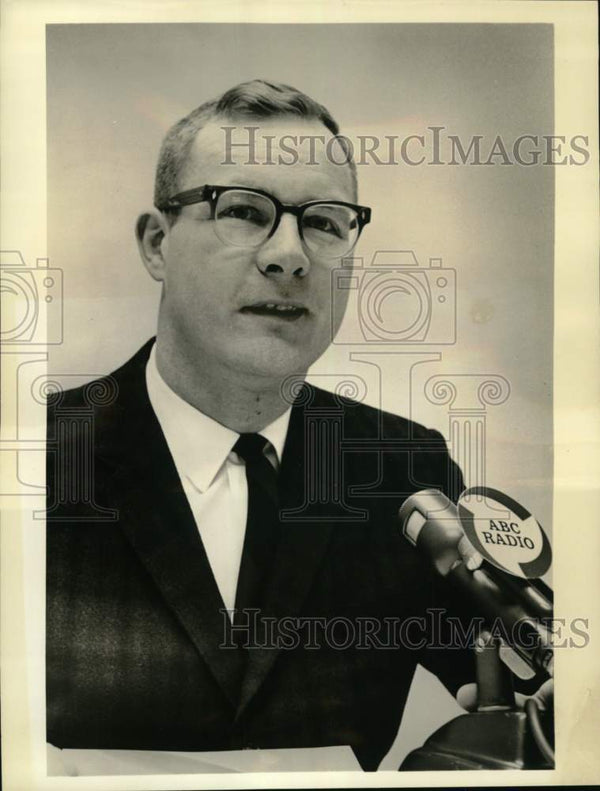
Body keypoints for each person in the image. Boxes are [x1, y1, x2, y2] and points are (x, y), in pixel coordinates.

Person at [46, 79, 490, 772]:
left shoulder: (401, 468)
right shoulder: (36, 458)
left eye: (324, 222)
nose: (290, 254)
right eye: (245, 211)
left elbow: (517, 679)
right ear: (158, 243)